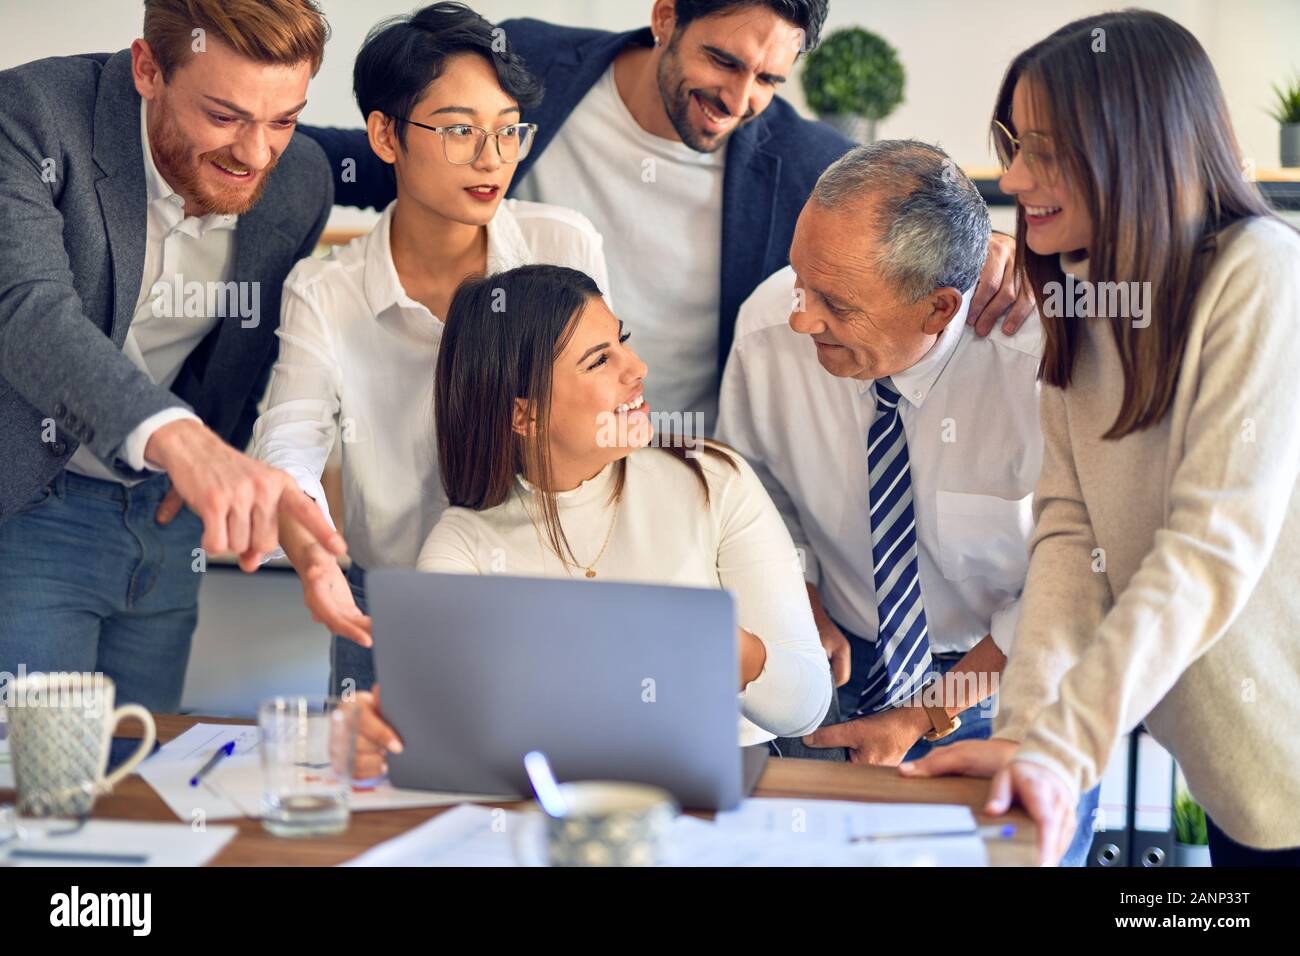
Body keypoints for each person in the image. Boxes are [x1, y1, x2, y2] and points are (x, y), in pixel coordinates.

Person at [899, 10, 1300, 868]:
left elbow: (1210, 547)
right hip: (1237, 778)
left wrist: (1060, 747)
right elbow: (1069, 538)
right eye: (1012, 145)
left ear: (1136, 145)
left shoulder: (1263, 272)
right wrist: (1026, 736)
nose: (1012, 176)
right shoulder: (1081, 300)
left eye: (1043, 150)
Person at [300, 0, 1032, 434]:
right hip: (518, 462)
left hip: (682, 475)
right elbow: (397, 163)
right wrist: (259, 139)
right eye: (725, 61)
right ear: (665, 17)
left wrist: (990, 246)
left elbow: (907, 219)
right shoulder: (532, 62)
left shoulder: (806, 161)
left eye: (769, 78)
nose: (740, 100)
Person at [716, 140, 1098, 866]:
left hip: (1007, 687)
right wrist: (801, 596)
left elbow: (1075, 584)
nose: (801, 319)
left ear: (939, 307)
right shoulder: (767, 326)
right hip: (835, 675)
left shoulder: (1049, 369)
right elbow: (753, 493)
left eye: (836, 305)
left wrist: (928, 712)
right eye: (801, 281)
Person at [250, 3, 609, 698]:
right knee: (373, 770)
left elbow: (607, 417)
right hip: (390, 606)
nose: (492, 158)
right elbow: (289, 445)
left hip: (551, 594)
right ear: (385, 135)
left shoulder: (563, 246)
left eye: (509, 130)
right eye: (459, 130)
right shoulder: (326, 291)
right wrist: (313, 552)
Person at [350, 264, 832, 777]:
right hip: (561, 797)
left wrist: (713, 640)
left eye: (623, 341)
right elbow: (440, 726)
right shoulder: (462, 548)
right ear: (524, 415)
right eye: (600, 360)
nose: (638, 367)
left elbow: (806, 705)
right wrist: (377, 734)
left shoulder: (714, 480)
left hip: (731, 787)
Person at [0, 0, 343, 712]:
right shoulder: (31, 117)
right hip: (28, 502)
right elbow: (27, 313)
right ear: (148, 69)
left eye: (284, 120)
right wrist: (188, 443)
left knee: (149, 762)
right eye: (224, 116)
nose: (256, 155)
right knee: (34, 774)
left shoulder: (302, 176)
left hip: (167, 518)